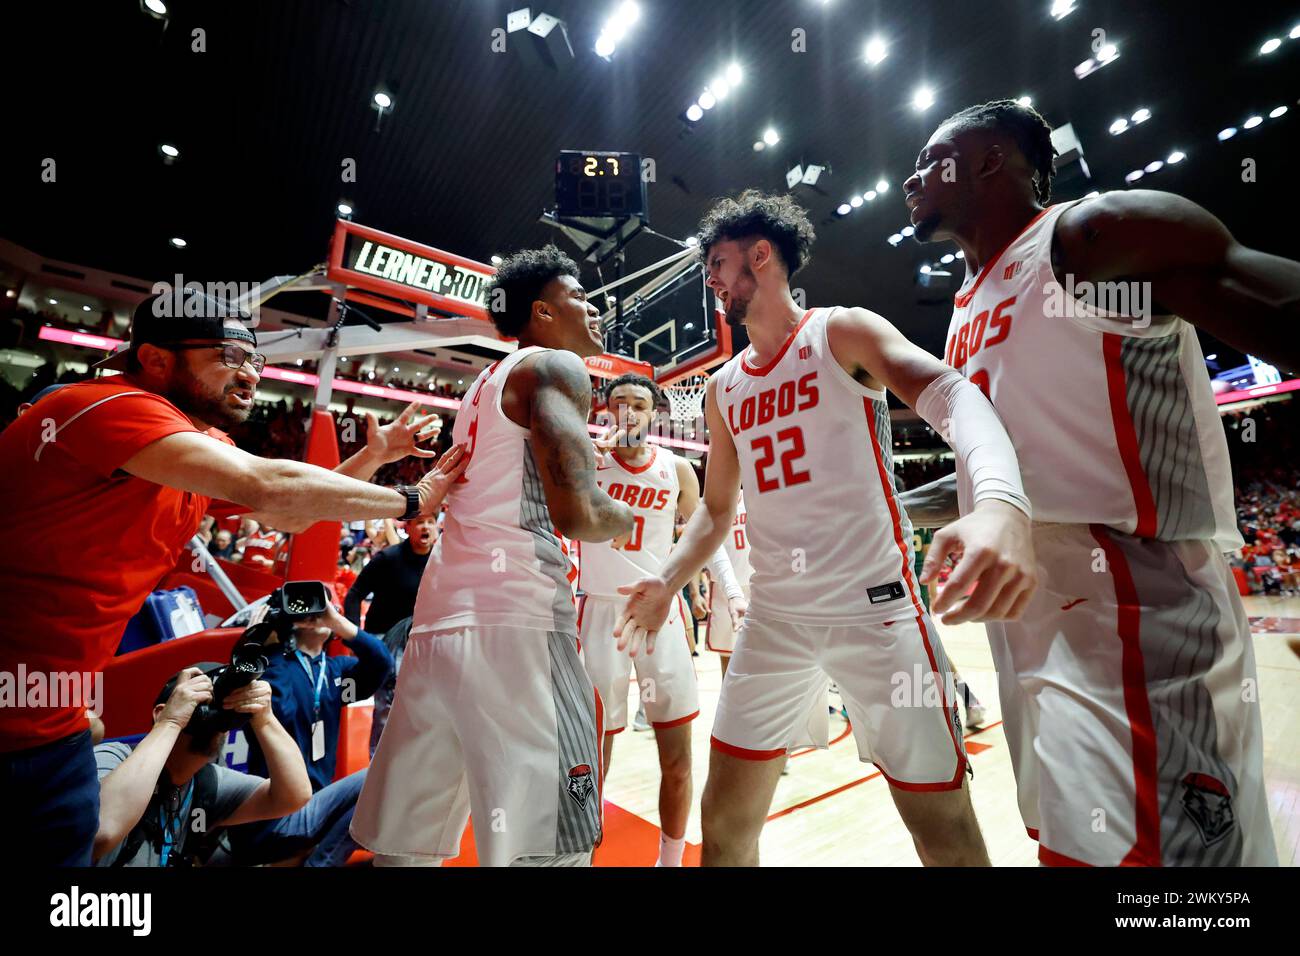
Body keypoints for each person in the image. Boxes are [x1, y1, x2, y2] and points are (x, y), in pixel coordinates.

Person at [900, 98, 1295, 865]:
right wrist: (874, 506)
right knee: (1073, 849)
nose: (911, 177)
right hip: (1026, 616)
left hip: (1138, 603)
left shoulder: (1089, 236)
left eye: (931, 157)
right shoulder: (963, 307)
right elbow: (1000, 474)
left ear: (989, 158)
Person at [616, 191, 1036, 867]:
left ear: (763, 256)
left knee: (943, 831)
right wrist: (667, 582)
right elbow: (717, 510)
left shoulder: (842, 332)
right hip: (776, 620)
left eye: (719, 262)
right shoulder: (725, 388)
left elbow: (954, 394)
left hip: (877, 612)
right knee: (722, 829)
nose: (710, 279)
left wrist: (1000, 503)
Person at [0, 288, 466, 866]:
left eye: (256, 360)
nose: (248, 373)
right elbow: (264, 484)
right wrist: (411, 498)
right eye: (229, 355)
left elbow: (287, 512)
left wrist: (371, 462)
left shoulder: (195, 449)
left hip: (51, 721)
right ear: (156, 360)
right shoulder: (105, 406)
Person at [352, 245, 635, 867]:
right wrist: (628, 513)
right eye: (578, 297)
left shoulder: (480, 388)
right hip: (521, 626)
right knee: (552, 845)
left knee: (408, 847)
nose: (592, 307)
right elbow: (579, 513)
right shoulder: (555, 365)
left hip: (437, 627)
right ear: (542, 312)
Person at [578, 373, 706, 867]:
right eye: (619, 403)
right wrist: (580, 467)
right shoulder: (586, 462)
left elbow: (698, 540)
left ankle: (669, 861)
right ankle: (582, 854)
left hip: (659, 613)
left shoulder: (679, 469)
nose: (629, 412)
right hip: (600, 611)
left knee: (676, 755)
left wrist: (713, 593)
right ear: (605, 411)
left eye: (639, 404)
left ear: (656, 413)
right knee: (591, 758)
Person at [93, 665, 312, 867]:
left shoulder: (205, 782)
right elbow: (101, 830)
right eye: (201, 706)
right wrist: (171, 722)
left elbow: (294, 796)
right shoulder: (114, 757)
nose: (213, 717)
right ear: (161, 712)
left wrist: (264, 719)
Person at [227, 599, 391, 866]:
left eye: (325, 607)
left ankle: (319, 861)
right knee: (380, 771)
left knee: (383, 781)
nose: (316, 614)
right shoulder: (274, 664)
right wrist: (272, 645)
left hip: (313, 810)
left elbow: (381, 663)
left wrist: (338, 621)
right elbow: (279, 712)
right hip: (272, 819)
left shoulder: (337, 671)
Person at [343, 516, 437, 635]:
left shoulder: (441, 561)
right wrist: (354, 635)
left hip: (419, 639)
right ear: (407, 527)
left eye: (430, 522)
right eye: (420, 522)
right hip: (382, 636)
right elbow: (355, 594)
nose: (426, 527)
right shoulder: (388, 558)